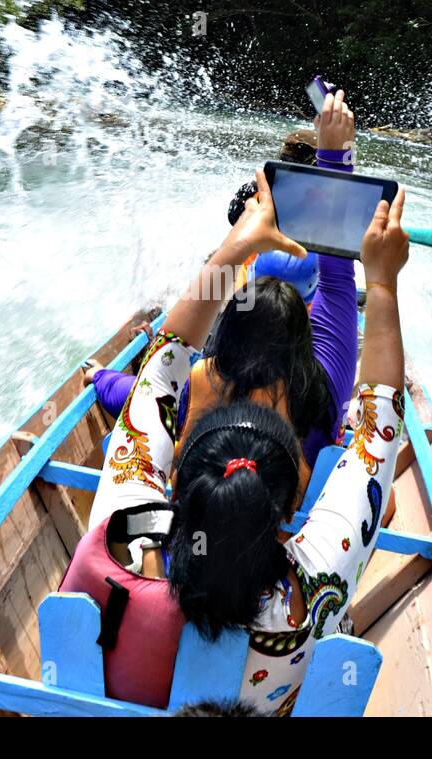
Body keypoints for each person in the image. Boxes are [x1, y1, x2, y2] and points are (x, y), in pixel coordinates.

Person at [58, 165, 410, 715]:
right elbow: (379, 428)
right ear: (292, 502)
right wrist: (383, 285)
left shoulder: (112, 537)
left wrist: (234, 248)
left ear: (179, 485)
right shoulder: (312, 598)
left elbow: (163, 365)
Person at [84, 90, 362, 485]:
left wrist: (98, 377)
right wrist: (339, 163)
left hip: (254, 281)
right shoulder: (323, 391)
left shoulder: (200, 386)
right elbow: (337, 284)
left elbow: (139, 391)